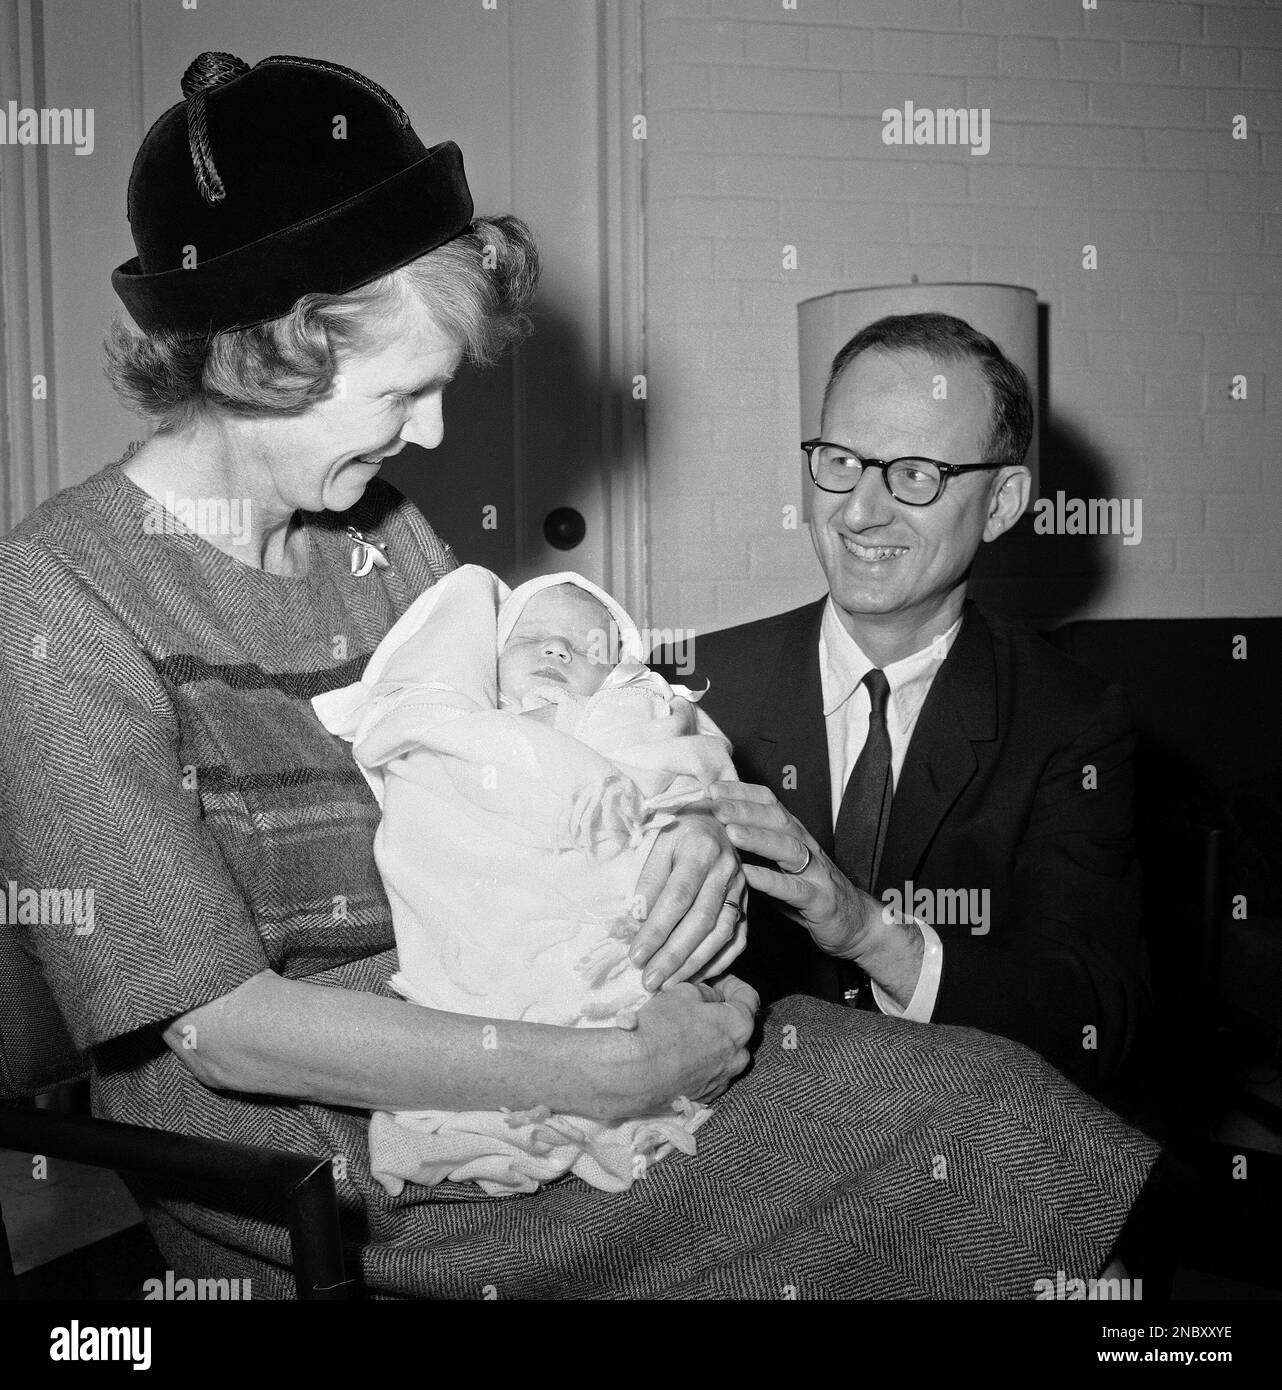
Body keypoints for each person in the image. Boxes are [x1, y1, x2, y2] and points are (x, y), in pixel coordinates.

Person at [0, 50, 1158, 1299]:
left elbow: (563, 753)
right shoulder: (57, 597)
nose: (433, 435)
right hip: (327, 1153)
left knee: (989, 1099)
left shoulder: (383, 541)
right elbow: (217, 1027)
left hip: (522, 996)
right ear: (262, 356)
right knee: (961, 1140)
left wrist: (687, 841)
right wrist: (600, 1071)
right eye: (407, 391)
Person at [686, 313, 1148, 1099]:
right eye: (841, 461)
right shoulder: (694, 689)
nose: (860, 511)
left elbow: (1089, 1025)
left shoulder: (1071, 724)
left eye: (916, 473)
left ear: (1001, 504)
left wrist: (870, 933)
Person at [312, 565, 734, 1195]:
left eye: (589, 644)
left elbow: (681, 768)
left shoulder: (630, 715)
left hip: (619, 949)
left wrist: (696, 814)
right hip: (484, 945)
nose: (557, 648)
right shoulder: (463, 727)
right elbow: (427, 805)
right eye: (530, 637)